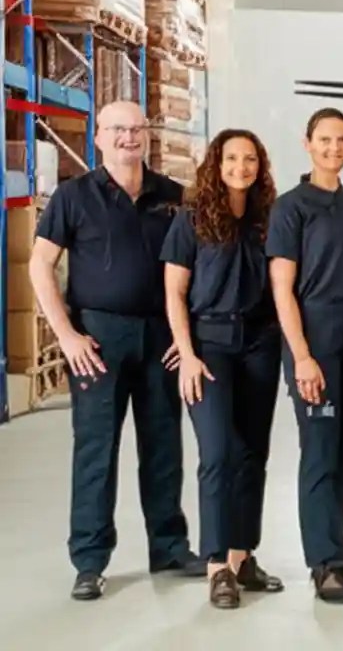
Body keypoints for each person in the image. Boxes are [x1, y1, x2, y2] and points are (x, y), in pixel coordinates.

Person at [27, 101, 203, 600]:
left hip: (160, 338)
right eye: (117, 129)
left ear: (146, 135)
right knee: (96, 451)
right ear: (98, 137)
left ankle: (169, 546)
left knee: (164, 446)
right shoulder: (73, 196)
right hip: (97, 341)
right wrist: (66, 335)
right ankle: (89, 559)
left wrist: (185, 339)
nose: (129, 137)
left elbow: (193, 270)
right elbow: (40, 266)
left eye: (136, 128)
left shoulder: (173, 197)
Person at [266, 107, 343, 603]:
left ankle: (337, 551)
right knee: (319, 449)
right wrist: (301, 357)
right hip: (314, 334)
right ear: (307, 142)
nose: (333, 148)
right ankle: (321, 563)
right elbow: (282, 286)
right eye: (324, 139)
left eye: (341, 140)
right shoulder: (290, 208)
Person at [160, 129, 285, 609]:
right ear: (217, 162)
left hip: (259, 342)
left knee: (253, 453)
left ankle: (242, 557)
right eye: (232, 158)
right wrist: (186, 352)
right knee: (217, 455)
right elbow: (174, 292)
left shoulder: (268, 218)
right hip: (209, 345)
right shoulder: (191, 217)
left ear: (260, 165)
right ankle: (216, 567)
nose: (241, 167)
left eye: (249, 158)